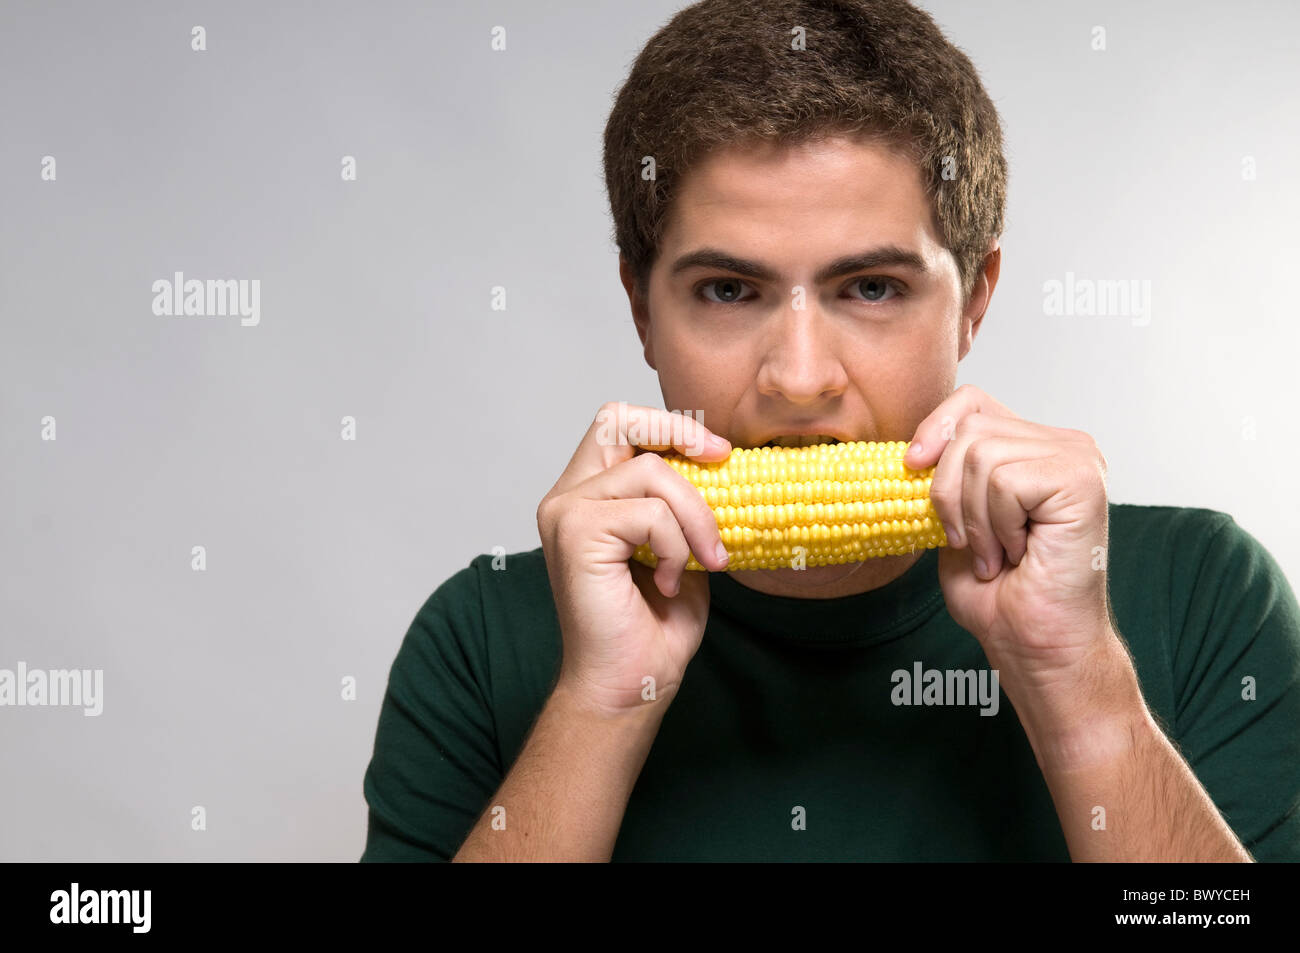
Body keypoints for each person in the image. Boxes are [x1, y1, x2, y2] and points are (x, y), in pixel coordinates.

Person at [360, 0, 1300, 861]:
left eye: (872, 288)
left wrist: (1081, 687)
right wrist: (598, 705)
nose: (801, 379)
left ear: (974, 301)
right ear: (640, 311)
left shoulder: (1199, 594)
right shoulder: (484, 637)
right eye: (729, 291)